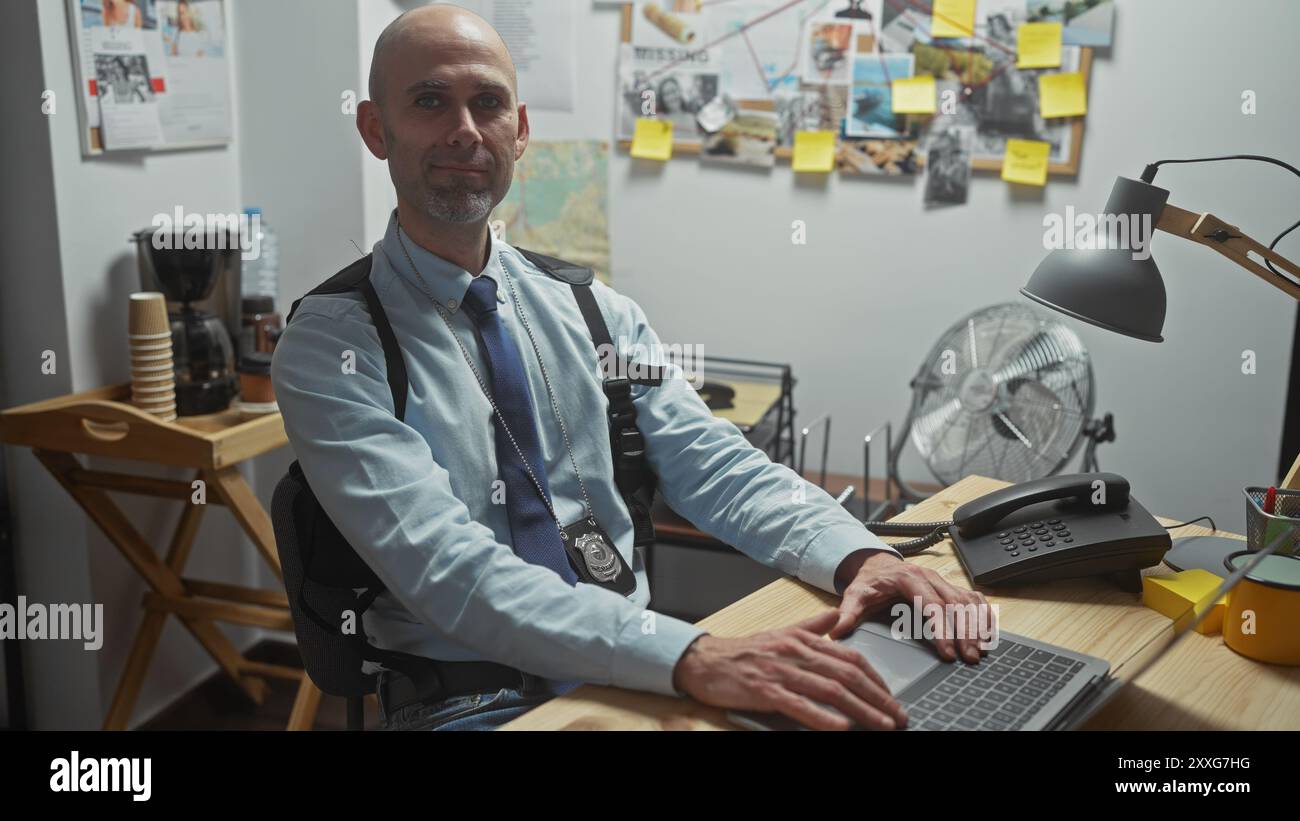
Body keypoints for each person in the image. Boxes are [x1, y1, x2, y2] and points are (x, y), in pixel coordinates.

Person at [272, 4, 992, 732]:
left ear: (519, 130)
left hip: (638, 669)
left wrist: (857, 555)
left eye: (486, 102)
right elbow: (446, 567)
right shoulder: (332, 346)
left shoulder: (592, 311)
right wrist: (691, 655)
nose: (463, 129)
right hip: (471, 698)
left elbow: (715, 465)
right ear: (374, 129)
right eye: (430, 101)